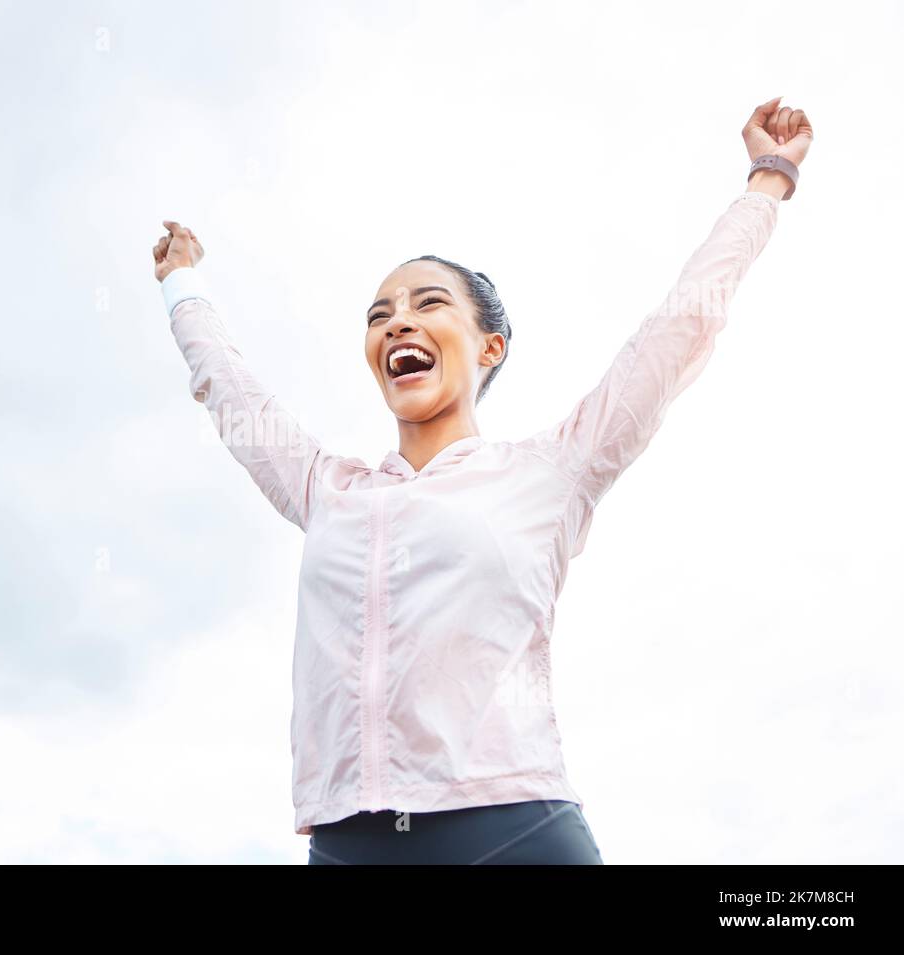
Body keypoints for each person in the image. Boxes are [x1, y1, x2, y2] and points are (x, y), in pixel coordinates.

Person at [151, 97, 811, 864]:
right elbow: (233, 393)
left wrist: (767, 181)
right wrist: (181, 285)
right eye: (380, 313)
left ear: (488, 346)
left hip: (511, 831)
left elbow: (677, 330)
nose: (399, 322)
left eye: (429, 304)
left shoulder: (551, 470)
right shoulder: (327, 490)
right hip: (347, 841)